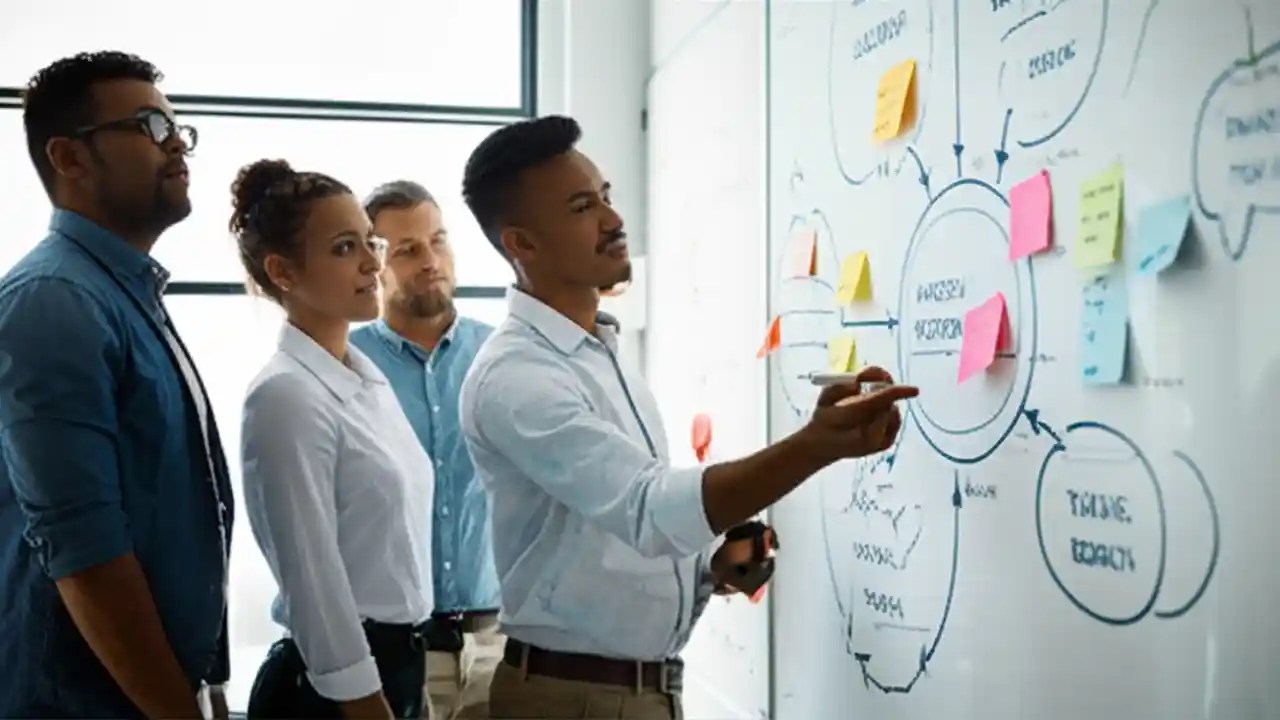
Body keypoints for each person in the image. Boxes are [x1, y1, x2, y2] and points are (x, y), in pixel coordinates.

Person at [457, 115, 920, 719]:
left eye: (606, 198)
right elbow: (649, 509)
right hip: (574, 701)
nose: (614, 221)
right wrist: (816, 445)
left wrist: (709, 566)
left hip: (634, 691)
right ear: (522, 243)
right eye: (581, 208)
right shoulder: (517, 378)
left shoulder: (596, 354)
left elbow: (602, 535)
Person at [0, 51, 233, 718]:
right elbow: (85, 553)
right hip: (74, 702)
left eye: (178, 129)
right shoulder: (54, 299)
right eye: (149, 127)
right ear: (70, 159)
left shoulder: (119, 291)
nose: (176, 147)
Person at [232, 159, 436, 720]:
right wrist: (367, 703)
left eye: (370, 242)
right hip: (332, 694)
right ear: (283, 272)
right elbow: (312, 581)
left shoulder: (365, 380)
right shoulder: (286, 396)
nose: (375, 262)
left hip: (398, 665)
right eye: (346, 247)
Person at [350, 181, 503, 720]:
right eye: (408, 250)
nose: (430, 260)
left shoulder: (502, 355)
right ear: (375, 263)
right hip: (396, 646)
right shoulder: (347, 366)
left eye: (438, 241)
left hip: (499, 639)